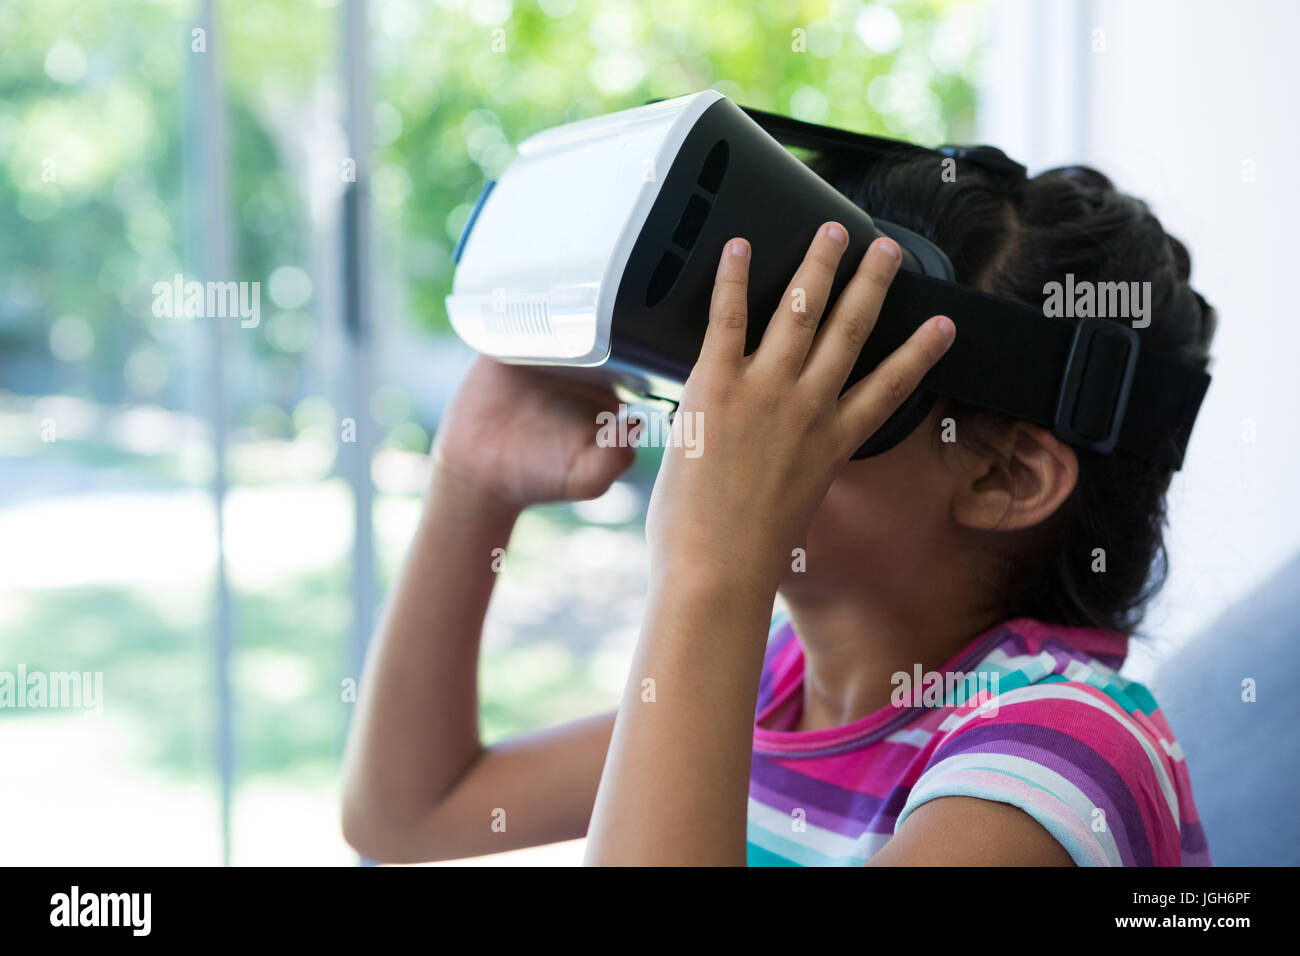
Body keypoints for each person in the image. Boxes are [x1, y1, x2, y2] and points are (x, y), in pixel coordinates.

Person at [340, 155, 1215, 866]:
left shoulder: (1058, 761)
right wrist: (470, 485)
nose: (730, 400)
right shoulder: (778, 689)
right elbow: (413, 812)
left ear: (1005, 479)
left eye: (820, 366)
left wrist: (709, 566)